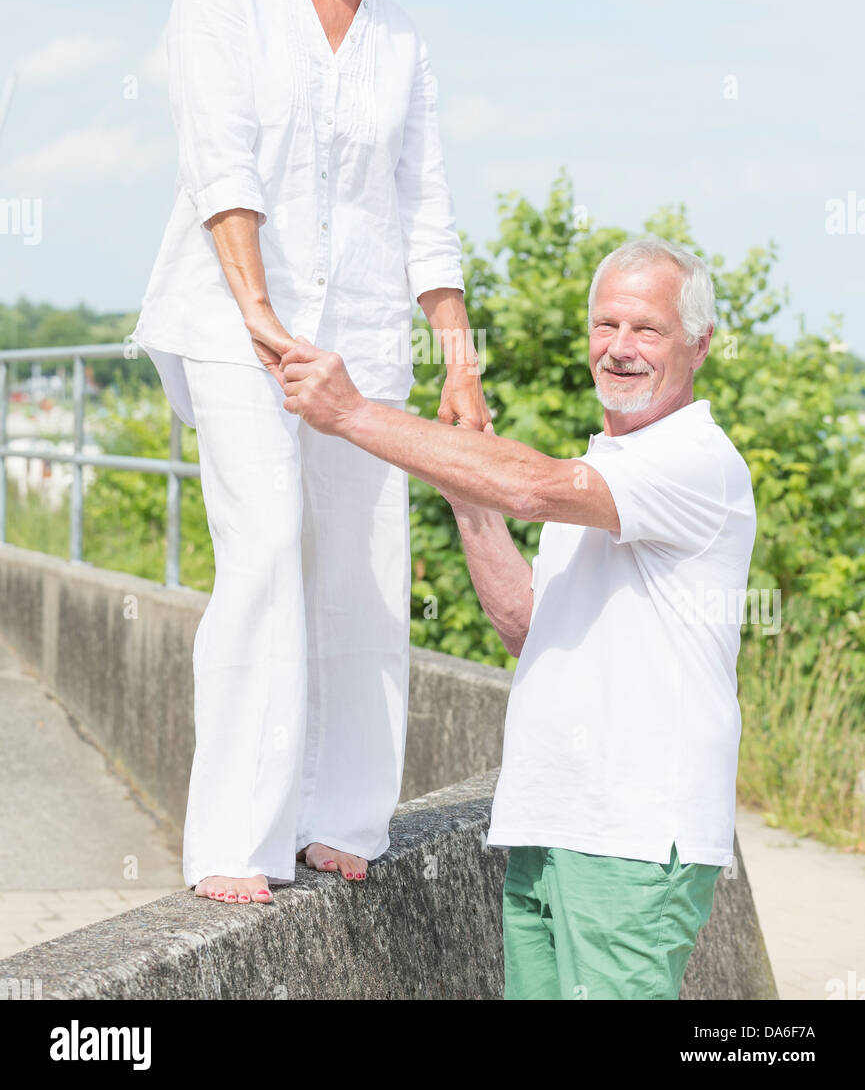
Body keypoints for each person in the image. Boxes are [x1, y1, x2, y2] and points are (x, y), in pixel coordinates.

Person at [131, 0, 489, 905]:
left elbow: (421, 200)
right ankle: (238, 835)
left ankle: (341, 816)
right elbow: (219, 155)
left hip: (367, 338)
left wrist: (458, 354)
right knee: (267, 552)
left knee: (368, 569)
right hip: (240, 325)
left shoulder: (399, 36)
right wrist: (257, 313)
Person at [277, 236, 758, 998]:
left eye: (646, 330)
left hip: (629, 840)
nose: (620, 347)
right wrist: (470, 497)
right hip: (550, 825)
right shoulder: (605, 468)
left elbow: (530, 486)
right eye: (606, 325)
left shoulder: (693, 459)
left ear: (697, 345)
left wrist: (352, 414)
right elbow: (524, 624)